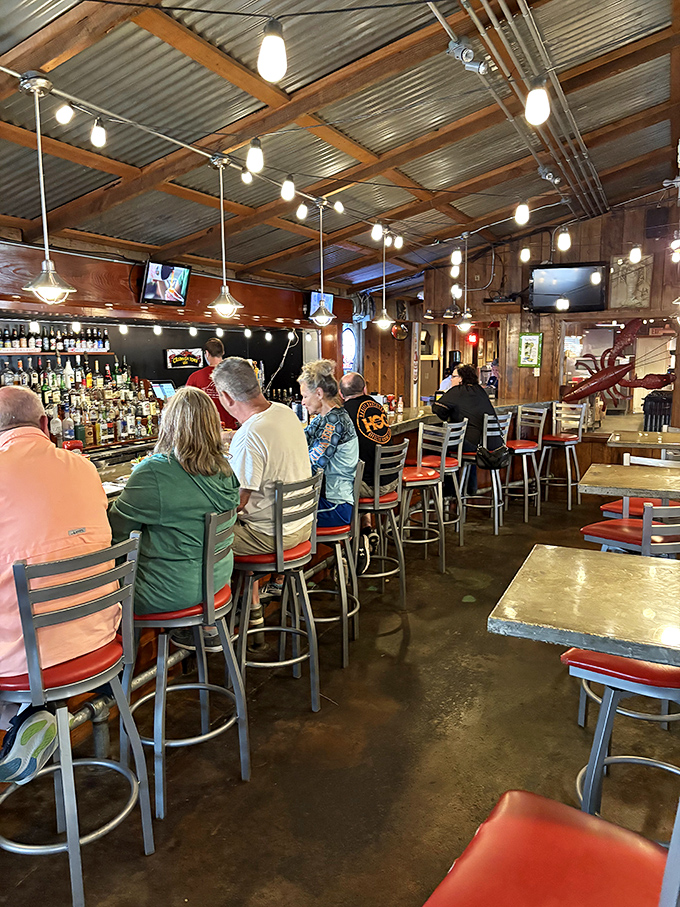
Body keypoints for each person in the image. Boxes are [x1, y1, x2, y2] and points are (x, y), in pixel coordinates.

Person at [0, 387, 118, 784]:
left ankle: (27, 715)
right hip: (101, 636)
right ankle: (30, 715)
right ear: (46, 424)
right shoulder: (83, 467)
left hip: (28, 660)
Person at [109, 387, 239, 651]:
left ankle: (115, 682)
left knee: (97, 584)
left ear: (169, 424)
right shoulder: (226, 469)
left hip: (170, 592)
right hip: (217, 579)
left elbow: (115, 533)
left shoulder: (154, 471)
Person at [213, 357, 313, 602]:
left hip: (272, 537)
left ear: (226, 397)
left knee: (199, 540)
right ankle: (252, 607)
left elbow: (236, 502)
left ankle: (214, 624)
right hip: (303, 527)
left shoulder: (250, 435)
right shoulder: (285, 412)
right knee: (238, 524)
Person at [339, 371, 395, 570]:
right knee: (357, 473)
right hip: (392, 481)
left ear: (340, 393)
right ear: (364, 389)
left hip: (371, 487)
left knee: (338, 483)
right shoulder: (377, 406)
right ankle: (366, 529)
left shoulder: (342, 414)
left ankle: (350, 546)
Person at [432, 364, 502, 493]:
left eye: (453, 377)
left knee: (440, 443)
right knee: (469, 441)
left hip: (476, 446)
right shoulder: (480, 390)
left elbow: (437, 408)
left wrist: (449, 415)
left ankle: (450, 492)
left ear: (461, 379)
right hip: (494, 445)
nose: (450, 379)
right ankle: (470, 489)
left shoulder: (457, 390)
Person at [186, 337, 238, 430]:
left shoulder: (195, 377)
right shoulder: (234, 375)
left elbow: (187, 404)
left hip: (206, 432)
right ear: (222, 353)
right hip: (230, 431)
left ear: (207, 353)